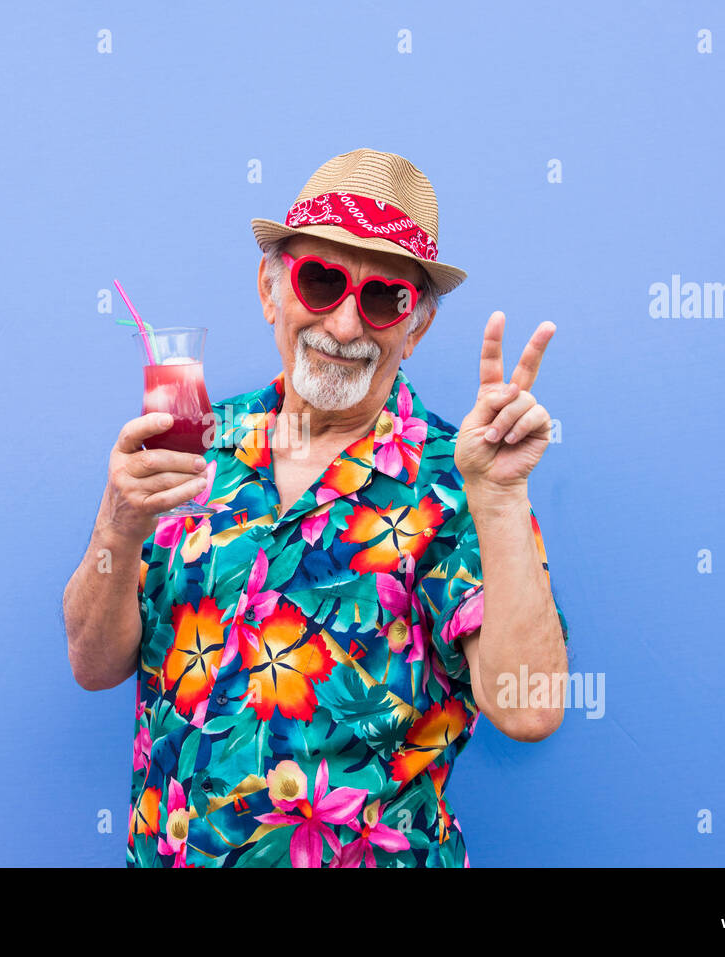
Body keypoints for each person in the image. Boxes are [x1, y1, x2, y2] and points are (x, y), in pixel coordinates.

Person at [64, 148, 570, 867]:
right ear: (271, 291)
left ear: (415, 327)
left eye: (383, 296)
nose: (342, 326)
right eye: (322, 280)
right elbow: (93, 661)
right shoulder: (191, 448)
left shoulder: (462, 486)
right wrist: (117, 524)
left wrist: (502, 497)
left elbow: (530, 709)